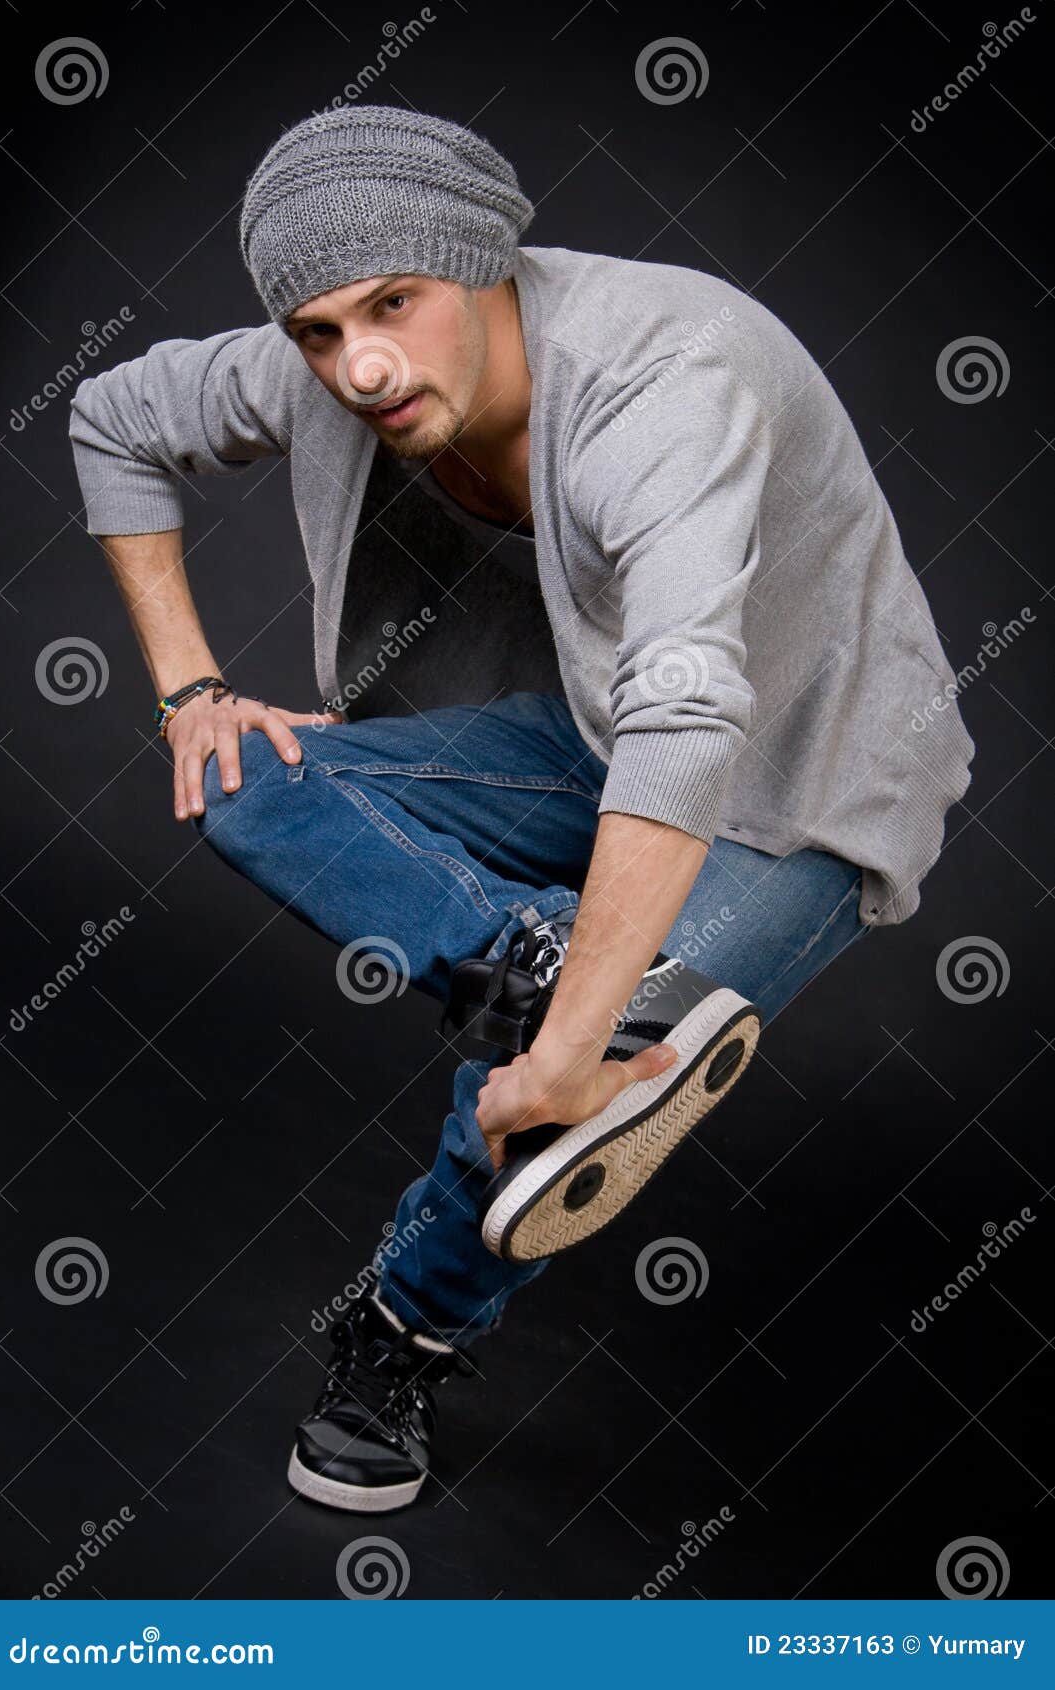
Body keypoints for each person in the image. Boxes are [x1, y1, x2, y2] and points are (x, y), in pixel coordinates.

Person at [67, 104, 975, 1515]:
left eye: (393, 305)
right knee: (236, 773)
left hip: (796, 780)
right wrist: (190, 689)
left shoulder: (670, 378)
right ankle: (545, 970)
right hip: (592, 734)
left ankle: (401, 1330)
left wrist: (563, 1052)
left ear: (487, 261)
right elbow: (111, 417)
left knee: (550, 1096)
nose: (360, 364)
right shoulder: (324, 368)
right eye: (317, 331)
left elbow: (691, 718)